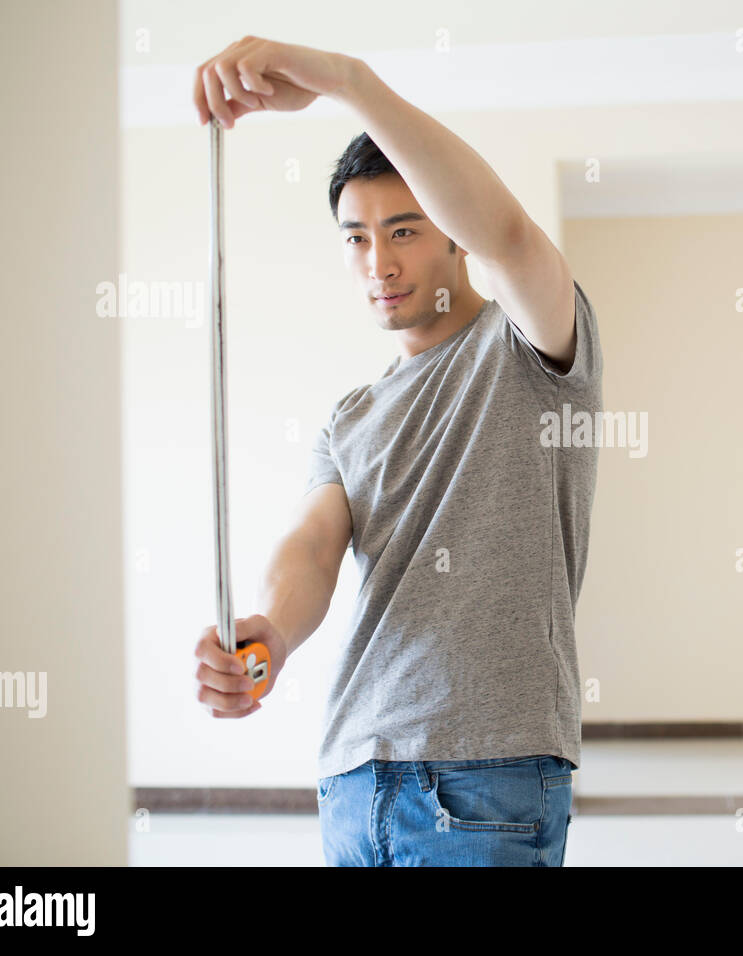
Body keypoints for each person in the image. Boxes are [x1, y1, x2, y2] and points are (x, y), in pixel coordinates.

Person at [189, 37, 602, 867]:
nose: (378, 261)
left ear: (450, 235)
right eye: (355, 238)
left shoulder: (530, 344)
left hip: (486, 777)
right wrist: (266, 635)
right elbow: (312, 547)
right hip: (354, 779)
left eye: (403, 229)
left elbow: (512, 235)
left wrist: (348, 82)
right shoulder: (352, 415)